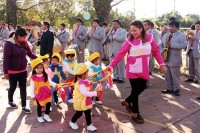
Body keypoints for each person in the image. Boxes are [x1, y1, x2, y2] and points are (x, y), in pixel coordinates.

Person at [108, 20, 166, 124]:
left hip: (144, 69)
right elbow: (121, 54)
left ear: (141, 29)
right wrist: (111, 65)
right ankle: (135, 113)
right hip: (132, 69)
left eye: (135, 30)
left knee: (142, 87)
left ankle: (127, 101)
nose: (132, 33)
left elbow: (156, 52)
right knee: (135, 91)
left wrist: (161, 64)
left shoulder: (149, 38)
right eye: (131, 31)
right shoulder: (129, 40)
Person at [3, 28, 37, 113]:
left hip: (23, 70)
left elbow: (29, 53)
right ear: (18, 36)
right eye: (23, 37)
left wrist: (39, 58)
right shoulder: (8, 44)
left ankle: (24, 106)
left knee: (23, 88)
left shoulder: (24, 43)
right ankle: (10, 101)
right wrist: (5, 72)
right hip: (12, 71)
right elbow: (6, 59)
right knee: (13, 87)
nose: (24, 39)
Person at [159, 20, 187, 96]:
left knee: (175, 75)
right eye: (170, 26)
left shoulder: (181, 35)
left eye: (172, 27)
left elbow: (184, 45)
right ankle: (169, 88)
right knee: (167, 75)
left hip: (175, 59)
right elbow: (160, 44)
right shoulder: (166, 35)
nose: (170, 28)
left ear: (177, 27)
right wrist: (162, 51)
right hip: (166, 58)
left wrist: (171, 45)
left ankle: (176, 89)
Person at [69, 63, 100, 131]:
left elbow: (87, 85)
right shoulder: (80, 84)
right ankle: (72, 122)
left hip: (85, 101)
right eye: (87, 72)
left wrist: (90, 84)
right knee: (79, 113)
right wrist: (94, 93)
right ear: (83, 74)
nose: (87, 73)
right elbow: (84, 93)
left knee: (88, 112)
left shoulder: (84, 80)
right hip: (81, 102)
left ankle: (89, 124)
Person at [30, 58, 58, 123]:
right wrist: (32, 95)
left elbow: (50, 81)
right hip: (38, 94)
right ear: (34, 69)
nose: (40, 69)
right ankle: (39, 117)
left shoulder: (45, 75)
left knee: (48, 104)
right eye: (37, 68)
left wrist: (54, 85)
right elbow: (32, 87)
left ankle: (46, 115)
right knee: (39, 106)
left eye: (41, 67)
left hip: (47, 92)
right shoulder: (33, 78)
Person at [143, 20, 161, 88]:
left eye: (145, 25)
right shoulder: (144, 32)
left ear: (149, 26)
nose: (144, 26)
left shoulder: (154, 32)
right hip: (143, 52)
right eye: (143, 25)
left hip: (149, 51)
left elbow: (155, 43)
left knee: (146, 67)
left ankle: (145, 83)